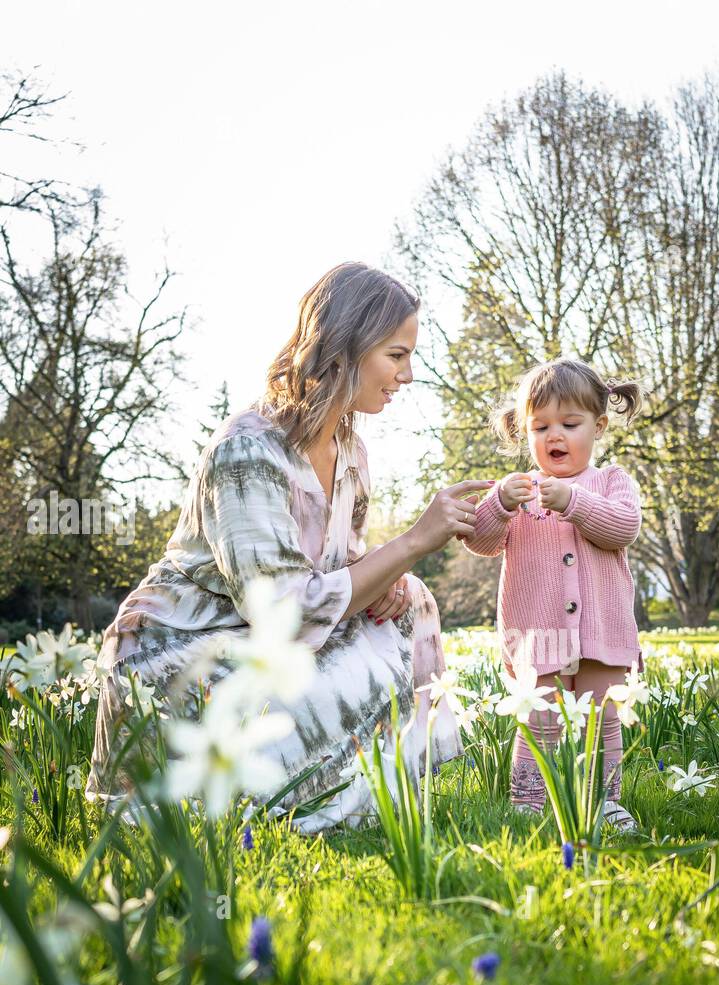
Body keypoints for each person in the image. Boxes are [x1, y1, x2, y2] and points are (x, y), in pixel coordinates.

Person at [85, 262, 494, 832]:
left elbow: (337, 568)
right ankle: (293, 799)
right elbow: (281, 612)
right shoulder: (249, 452)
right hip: (191, 652)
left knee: (412, 604)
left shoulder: (351, 450)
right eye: (396, 356)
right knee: (363, 669)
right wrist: (410, 543)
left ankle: (373, 785)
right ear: (346, 347)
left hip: (277, 643)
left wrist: (387, 582)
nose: (407, 374)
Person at [461, 357, 645, 831]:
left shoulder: (611, 482)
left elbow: (623, 529)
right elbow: (481, 542)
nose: (554, 436)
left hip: (601, 631)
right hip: (538, 633)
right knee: (540, 720)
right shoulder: (520, 491)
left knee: (601, 721)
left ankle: (604, 802)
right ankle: (528, 804)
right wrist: (499, 504)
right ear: (525, 433)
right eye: (540, 427)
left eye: (570, 423)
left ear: (599, 426)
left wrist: (574, 502)